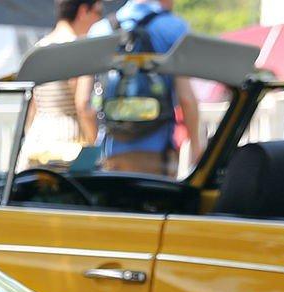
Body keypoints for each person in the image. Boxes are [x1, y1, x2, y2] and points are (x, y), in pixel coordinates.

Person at [93, 0, 205, 176]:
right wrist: (197, 148)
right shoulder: (175, 27)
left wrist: (94, 149)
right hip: (158, 154)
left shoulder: (100, 29)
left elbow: (84, 102)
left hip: (110, 153)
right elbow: (186, 99)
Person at [26, 0, 103, 162]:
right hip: (70, 142)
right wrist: (97, 148)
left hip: (37, 139)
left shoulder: (40, 48)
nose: (99, 20)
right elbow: (83, 104)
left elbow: (32, 106)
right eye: (98, 12)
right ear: (83, 11)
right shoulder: (80, 50)